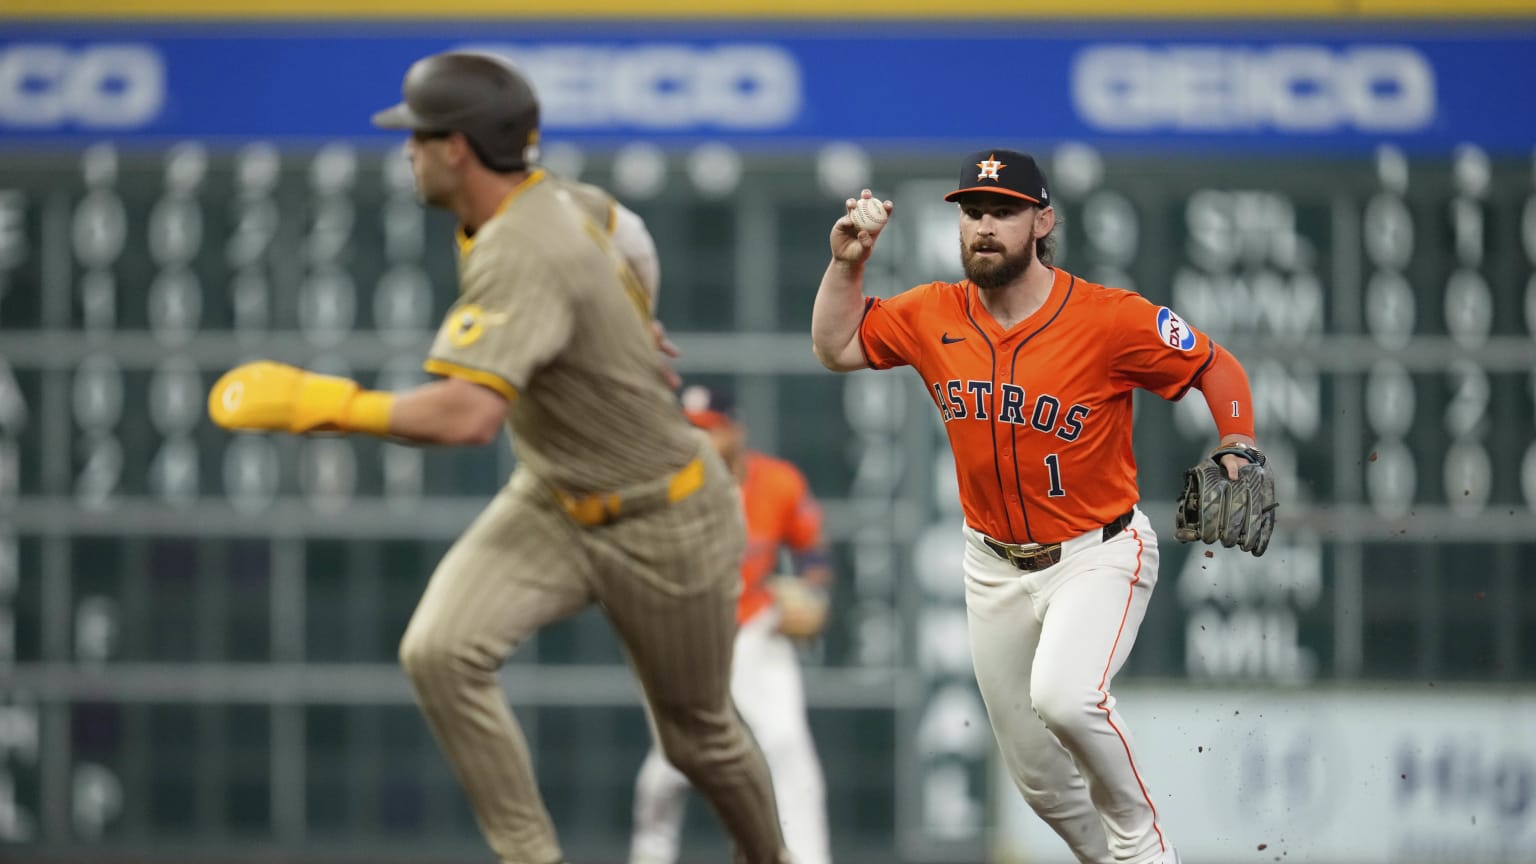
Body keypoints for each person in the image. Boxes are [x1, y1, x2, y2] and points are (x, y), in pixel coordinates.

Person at [205, 51, 790, 864]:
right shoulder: (546, 202)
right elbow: (631, 232)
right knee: (439, 652)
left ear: (457, 148)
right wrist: (634, 315)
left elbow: (468, 416)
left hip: (667, 516)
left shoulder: (523, 248)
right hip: (554, 500)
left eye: (417, 136)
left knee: (699, 740)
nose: (406, 150)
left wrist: (323, 406)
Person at [809, 149, 1276, 864]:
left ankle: (1145, 846)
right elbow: (836, 345)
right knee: (1038, 782)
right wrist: (848, 263)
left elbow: (1214, 365)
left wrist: (1237, 443)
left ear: (1043, 220)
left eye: (1003, 211)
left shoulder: (1107, 318)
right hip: (990, 566)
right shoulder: (933, 312)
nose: (984, 227)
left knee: (1065, 697)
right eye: (972, 213)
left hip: (1097, 552)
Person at [629, 384, 833, 864]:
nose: (698, 440)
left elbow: (814, 551)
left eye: (710, 431)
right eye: (691, 429)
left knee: (786, 747)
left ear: (735, 431)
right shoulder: (664, 486)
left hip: (757, 632)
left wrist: (814, 593)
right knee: (670, 767)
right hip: (686, 638)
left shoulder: (776, 482)